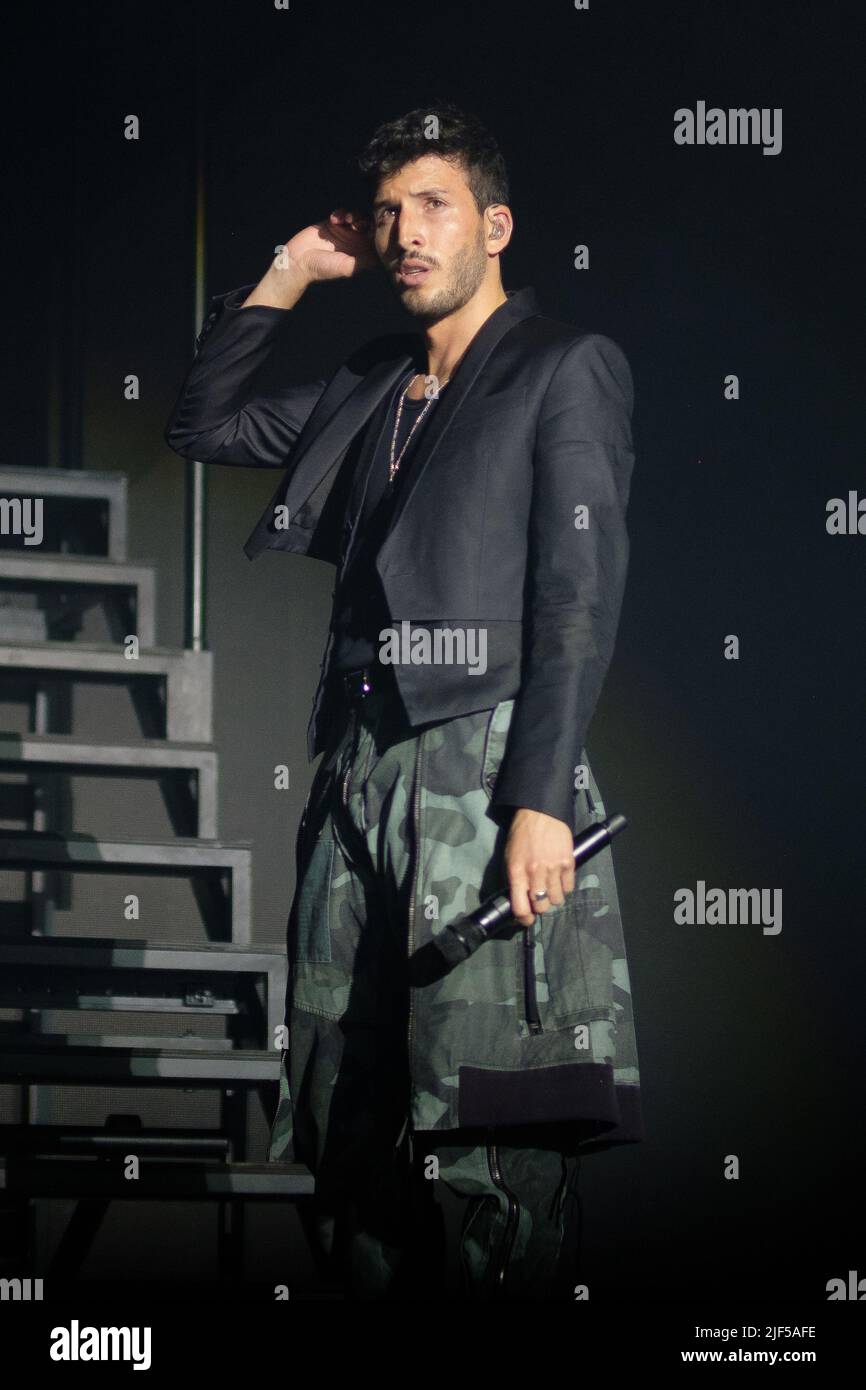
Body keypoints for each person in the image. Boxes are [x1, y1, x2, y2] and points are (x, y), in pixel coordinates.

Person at [164, 102, 643, 1300]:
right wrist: (287, 271)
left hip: (480, 768)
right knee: (343, 1114)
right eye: (385, 212)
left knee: (485, 1132)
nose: (403, 232)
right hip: (354, 771)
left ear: (495, 224)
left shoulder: (560, 367)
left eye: (433, 206)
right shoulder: (369, 383)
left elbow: (575, 594)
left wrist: (537, 799)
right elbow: (204, 422)